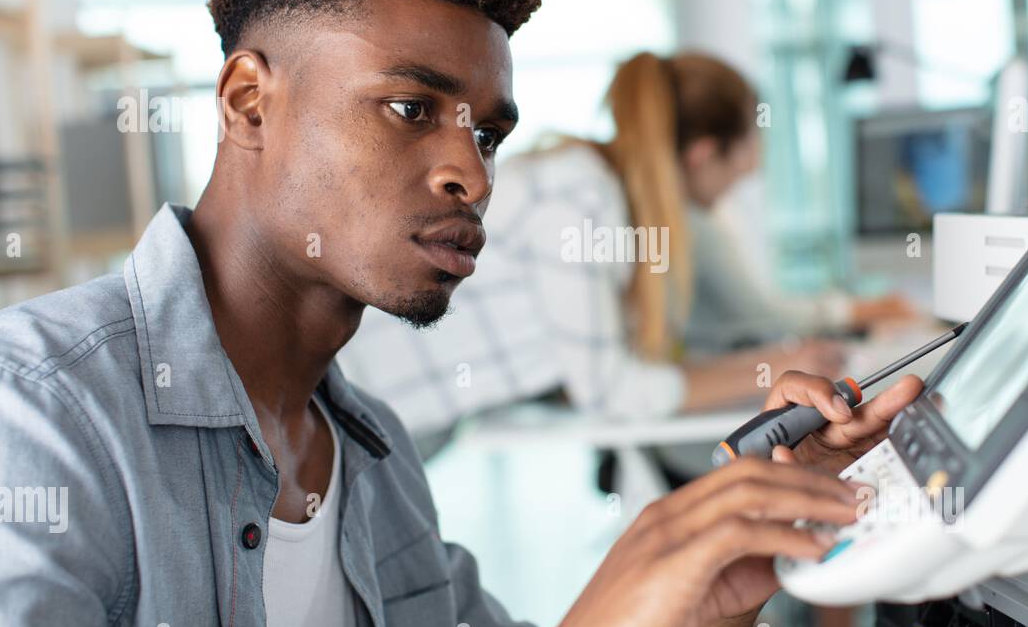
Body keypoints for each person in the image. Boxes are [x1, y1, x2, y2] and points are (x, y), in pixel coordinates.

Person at [0, 0, 922, 627]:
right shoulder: (35, 407)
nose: (472, 171)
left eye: (488, 133)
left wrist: (724, 574)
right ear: (250, 103)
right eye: (410, 106)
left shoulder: (372, 455)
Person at [339, 51, 853, 448]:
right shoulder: (580, 199)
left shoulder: (604, 194)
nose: (746, 177)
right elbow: (611, 391)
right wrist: (780, 368)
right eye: (743, 160)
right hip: (354, 409)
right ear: (701, 155)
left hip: (394, 416)